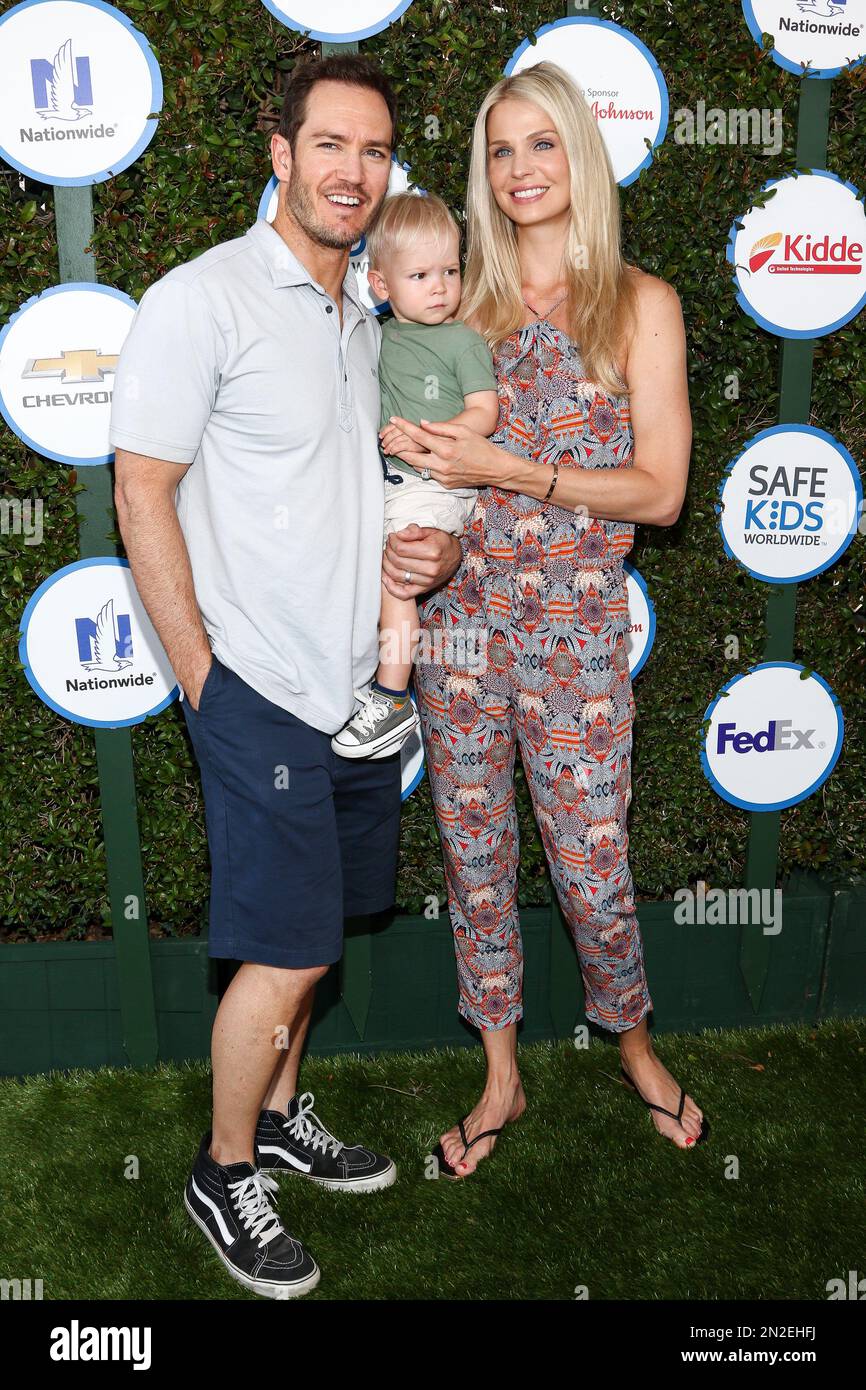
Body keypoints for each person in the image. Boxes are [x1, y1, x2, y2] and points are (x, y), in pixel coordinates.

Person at [110, 54, 463, 1297]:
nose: (352, 171)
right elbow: (140, 486)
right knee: (293, 943)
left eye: (373, 151)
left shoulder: (369, 319)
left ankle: (275, 1112)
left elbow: (366, 489)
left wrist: (423, 546)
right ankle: (221, 1166)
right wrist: (200, 673)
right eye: (330, 146)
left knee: (321, 937)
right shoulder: (200, 300)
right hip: (252, 680)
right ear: (280, 151)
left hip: (361, 687)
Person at [389, 61, 704, 1176]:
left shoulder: (639, 304)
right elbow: (416, 464)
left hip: (574, 636)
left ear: (579, 154)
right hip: (458, 632)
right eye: (499, 148)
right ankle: (500, 1075)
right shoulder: (449, 299)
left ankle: (633, 1044)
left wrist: (514, 469)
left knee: (589, 861)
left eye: (542, 144)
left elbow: (659, 491)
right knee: (472, 857)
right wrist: (419, 531)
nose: (520, 169)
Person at [331, 192, 498, 760]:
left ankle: (392, 695)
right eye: (421, 274)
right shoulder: (374, 336)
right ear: (380, 285)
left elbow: (485, 413)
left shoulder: (462, 339)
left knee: (397, 577)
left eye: (450, 271)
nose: (440, 287)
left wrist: (427, 437)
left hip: (439, 484)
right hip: (389, 482)